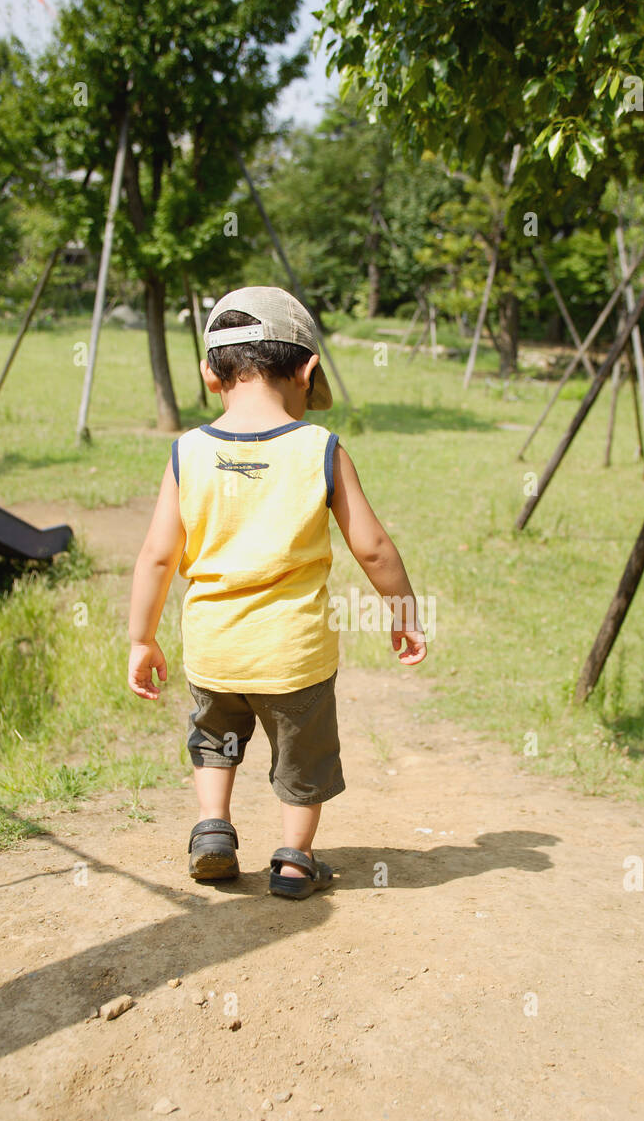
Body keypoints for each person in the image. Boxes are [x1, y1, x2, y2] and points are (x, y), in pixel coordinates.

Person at [127, 286, 427, 896]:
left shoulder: (188, 453)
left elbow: (158, 556)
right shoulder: (321, 450)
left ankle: (213, 828)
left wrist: (141, 637)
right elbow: (372, 547)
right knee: (304, 758)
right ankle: (293, 859)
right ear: (308, 369)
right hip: (294, 655)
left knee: (216, 740)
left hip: (214, 650)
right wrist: (403, 612)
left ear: (211, 374)